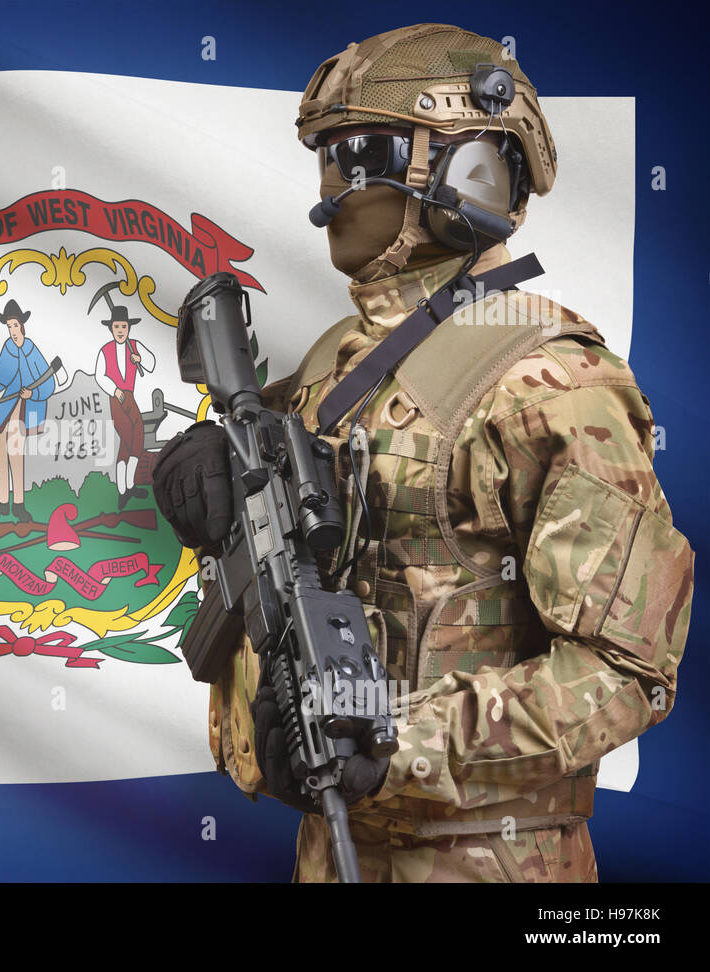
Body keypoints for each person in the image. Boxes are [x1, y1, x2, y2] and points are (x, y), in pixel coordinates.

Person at [152, 23, 694, 882]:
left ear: (464, 169)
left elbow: (625, 670)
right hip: (332, 851)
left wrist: (397, 740)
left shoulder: (551, 380)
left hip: (490, 863)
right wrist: (204, 461)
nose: (332, 185)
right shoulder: (340, 356)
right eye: (327, 155)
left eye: (357, 150)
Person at [0, 299, 56, 523]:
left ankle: (19, 505)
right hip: (5, 408)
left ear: (22, 325)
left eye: (15, 325)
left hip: (24, 409)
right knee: (0, 455)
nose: (12, 331)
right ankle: (3, 504)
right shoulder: (8, 348)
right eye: (9, 326)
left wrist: (32, 394)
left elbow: (49, 383)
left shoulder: (31, 350)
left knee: (15, 455)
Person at [91, 305, 156, 509]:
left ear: (129, 328)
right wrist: (114, 390)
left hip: (130, 396)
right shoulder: (105, 350)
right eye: (117, 326)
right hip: (117, 398)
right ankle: (123, 489)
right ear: (111, 329)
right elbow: (99, 375)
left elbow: (152, 363)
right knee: (128, 438)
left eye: (124, 326)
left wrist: (140, 359)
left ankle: (128, 486)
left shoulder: (134, 346)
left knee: (136, 438)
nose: (120, 330)